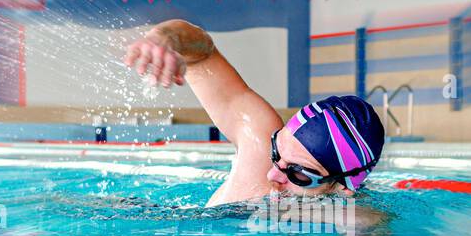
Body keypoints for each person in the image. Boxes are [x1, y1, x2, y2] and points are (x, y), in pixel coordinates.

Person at [125, 19, 385, 207]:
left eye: (299, 174)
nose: (272, 174)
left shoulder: (345, 225)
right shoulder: (258, 144)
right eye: (276, 152)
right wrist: (165, 39)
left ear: (342, 188)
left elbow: (366, 225)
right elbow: (202, 54)